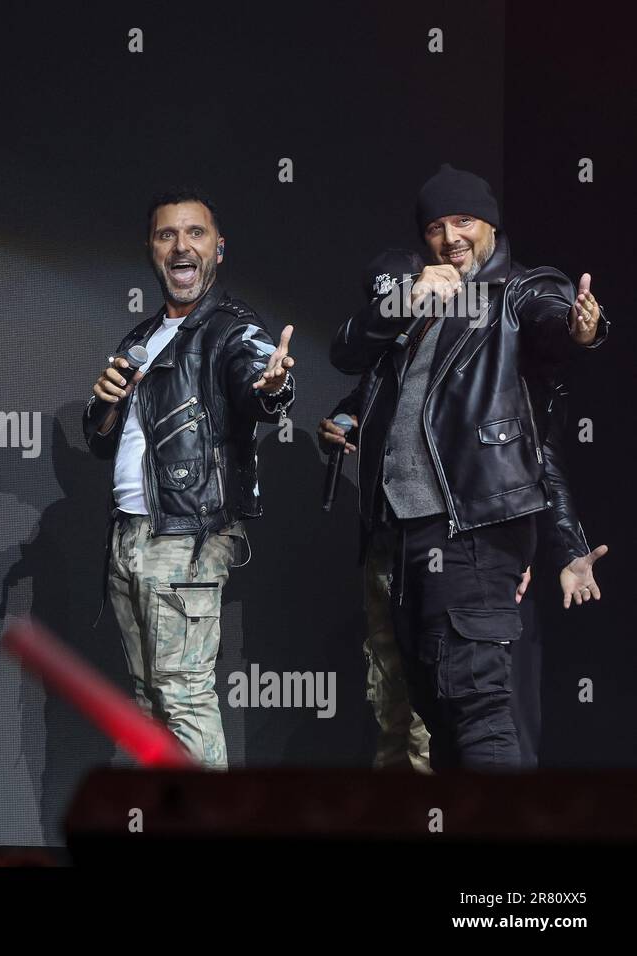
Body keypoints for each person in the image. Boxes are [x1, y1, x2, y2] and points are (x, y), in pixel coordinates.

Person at [329, 165, 607, 769]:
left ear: (490, 226)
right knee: (436, 712)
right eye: (436, 226)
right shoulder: (417, 303)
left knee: (477, 707)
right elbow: (346, 350)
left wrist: (578, 325)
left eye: (464, 222)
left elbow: (554, 316)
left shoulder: (517, 290)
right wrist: (407, 300)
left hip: (473, 529)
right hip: (405, 535)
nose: (451, 237)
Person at [82, 188, 296, 768]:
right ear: (152, 250)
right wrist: (102, 404)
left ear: (218, 249)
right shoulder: (140, 338)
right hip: (129, 534)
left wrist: (272, 387)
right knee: (149, 701)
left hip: (187, 539)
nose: (182, 246)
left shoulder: (230, 330)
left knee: (182, 695)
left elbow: (258, 381)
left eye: (196, 233)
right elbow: (101, 440)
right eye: (166, 235)